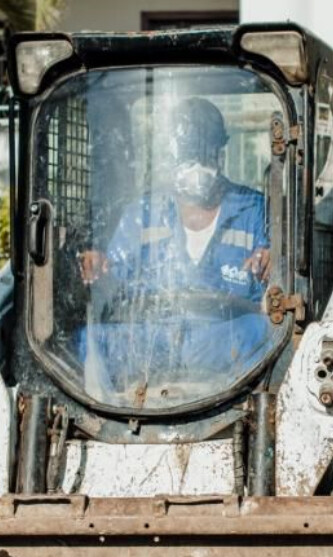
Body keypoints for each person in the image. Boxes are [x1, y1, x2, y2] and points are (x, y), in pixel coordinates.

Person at [77, 98, 274, 380]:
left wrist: (271, 261)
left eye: (206, 155)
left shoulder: (254, 209)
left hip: (225, 336)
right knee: (91, 340)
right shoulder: (144, 214)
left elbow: (274, 280)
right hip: (154, 339)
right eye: (189, 156)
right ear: (172, 155)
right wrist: (98, 265)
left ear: (220, 152)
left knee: (264, 329)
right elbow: (114, 276)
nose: (197, 167)